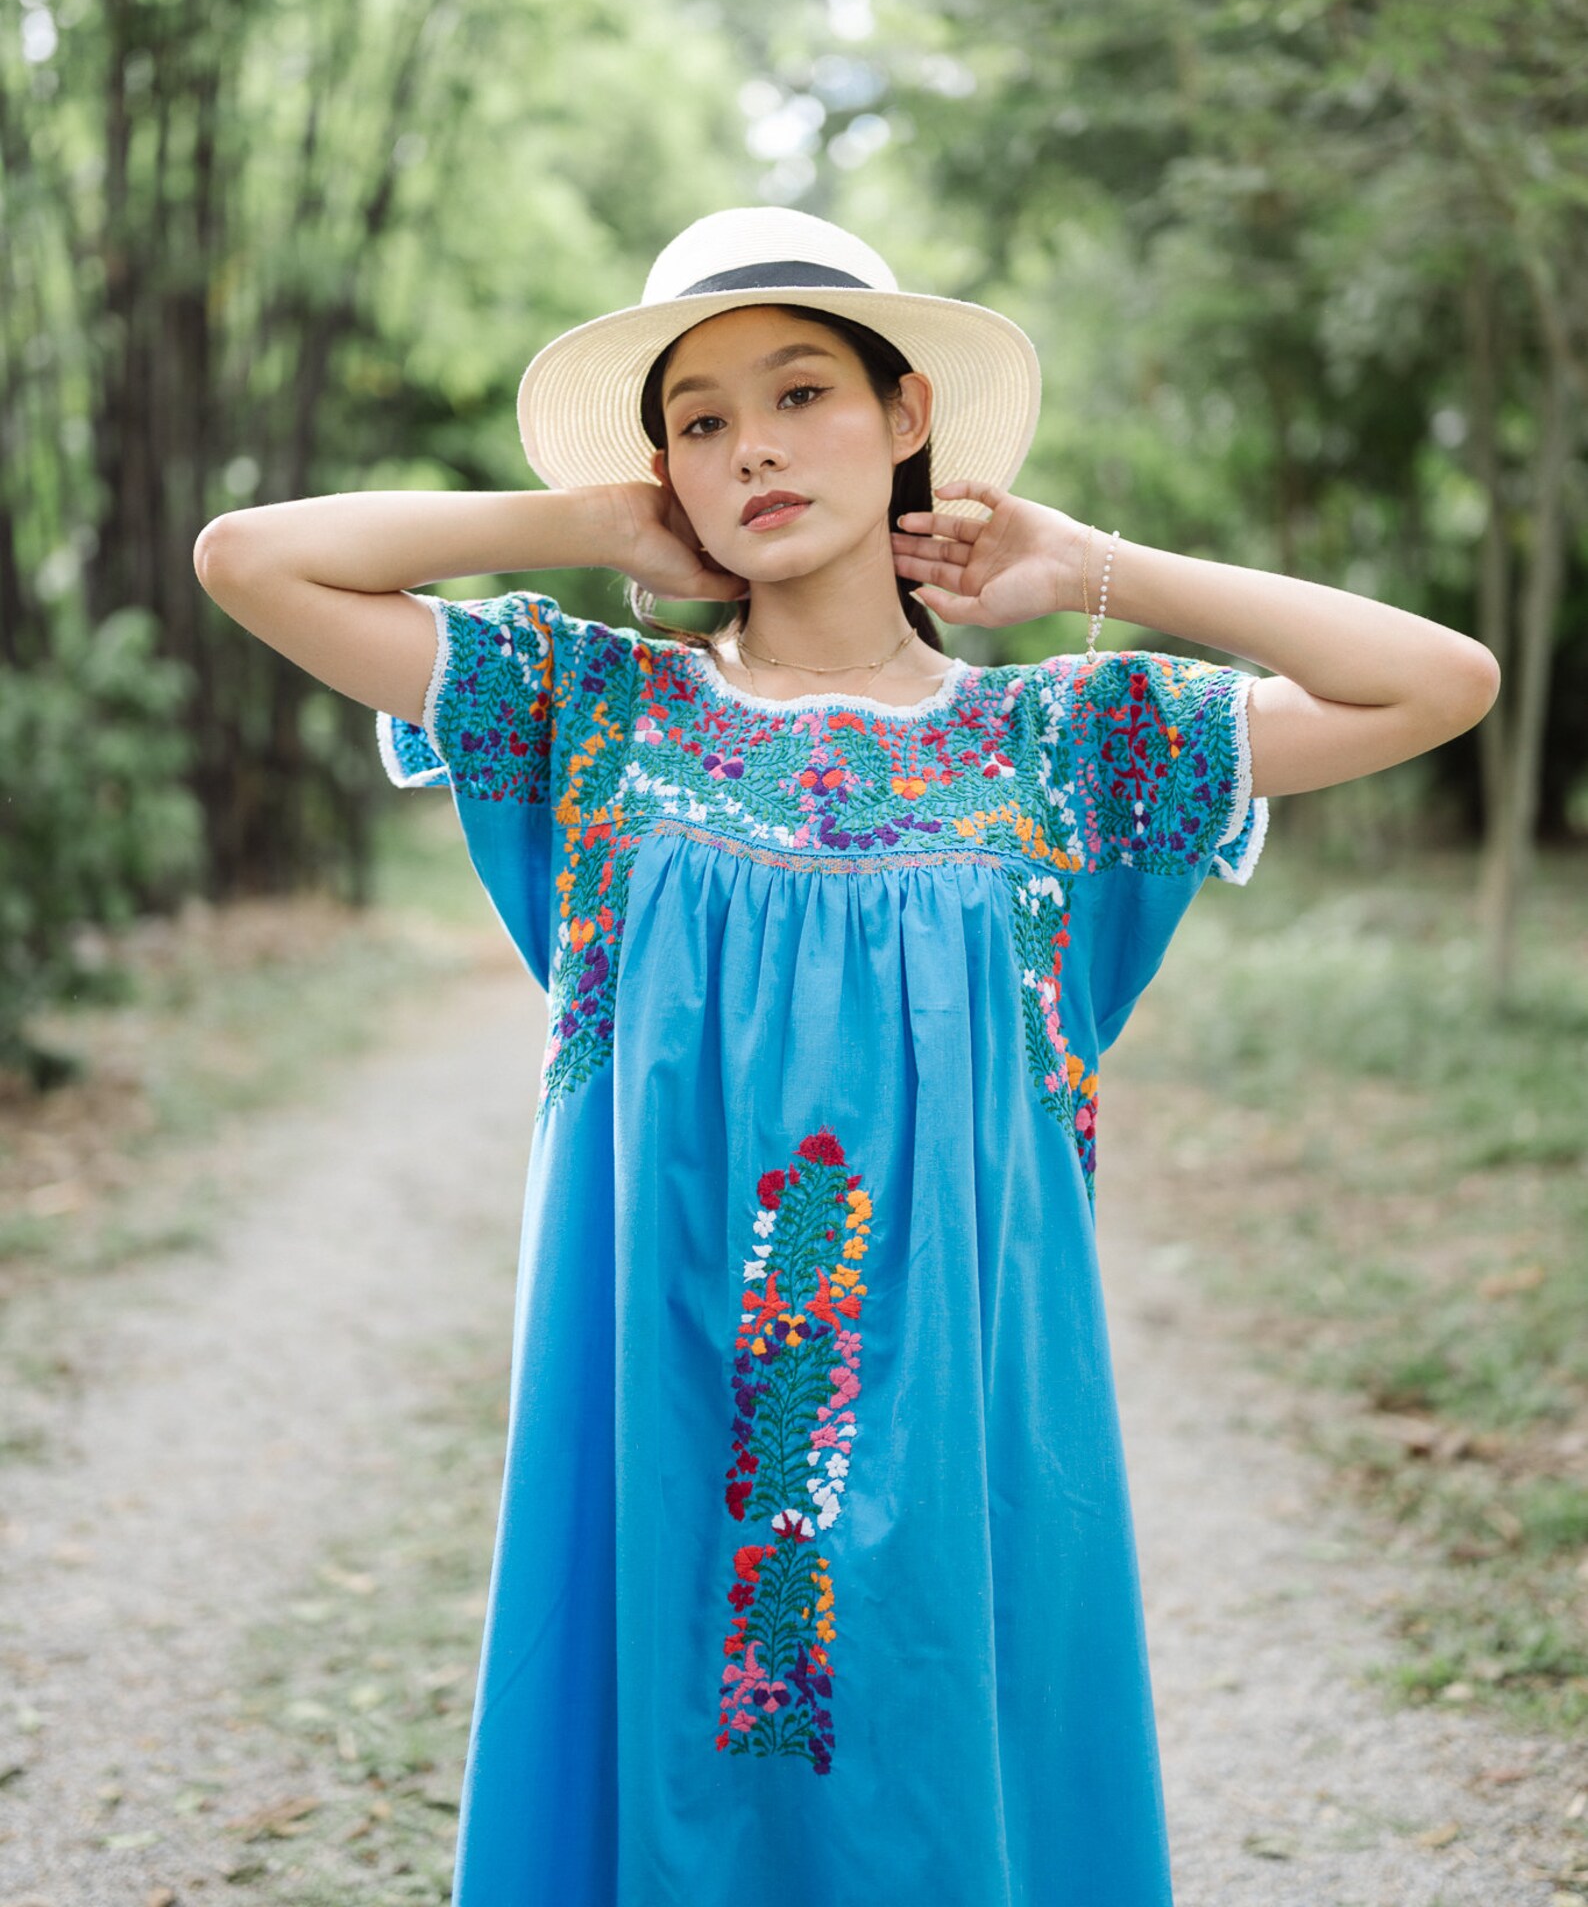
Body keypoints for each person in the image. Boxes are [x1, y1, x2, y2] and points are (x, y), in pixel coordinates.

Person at [193, 204, 1500, 1907]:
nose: (755, 449)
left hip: (966, 1384)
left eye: (804, 393)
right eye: (702, 422)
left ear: (907, 423)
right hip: (654, 1373)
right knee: (672, 1724)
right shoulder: (592, 719)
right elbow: (248, 558)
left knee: (938, 1748)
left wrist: (1094, 573)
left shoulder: (1068, 746)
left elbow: (1439, 682)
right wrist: (587, 527)